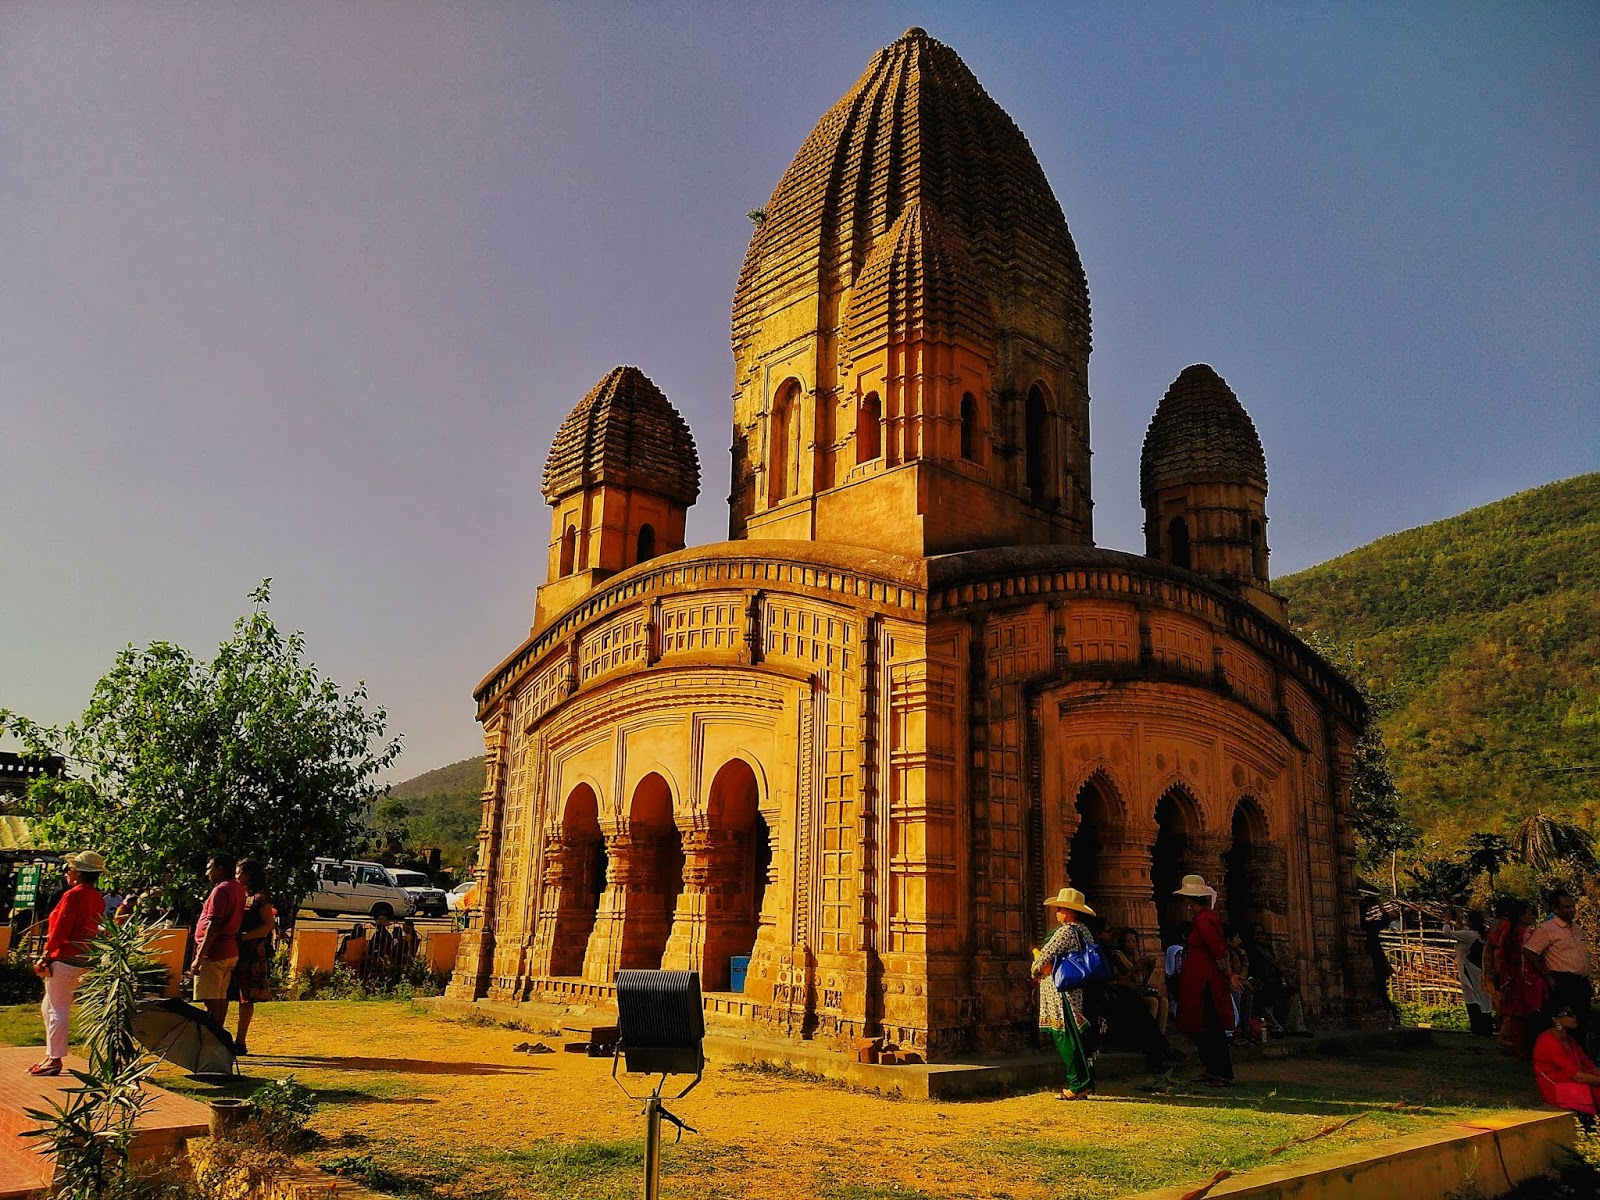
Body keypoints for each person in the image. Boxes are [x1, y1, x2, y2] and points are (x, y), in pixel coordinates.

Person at [30, 850, 107, 1076]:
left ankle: (54, 1060)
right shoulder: (96, 897)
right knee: (49, 1006)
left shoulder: (74, 895)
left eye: (70, 868)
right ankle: (50, 1054)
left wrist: (46, 954)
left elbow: (61, 927)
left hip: (64, 957)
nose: (67, 872)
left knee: (57, 1008)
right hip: (82, 957)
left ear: (79, 873)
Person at [1031, 886, 1099, 1100]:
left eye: (1059, 908)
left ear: (1069, 912)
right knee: (1077, 1038)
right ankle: (1084, 1084)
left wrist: (1034, 969)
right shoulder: (1084, 930)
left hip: (1062, 992)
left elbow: (1046, 955)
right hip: (1077, 990)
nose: (1056, 913)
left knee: (1066, 1037)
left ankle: (1077, 1084)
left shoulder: (1067, 931)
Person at [1174, 875, 1235, 1085]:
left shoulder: (1203, 919)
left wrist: (1226, 973)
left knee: (1209, 1026)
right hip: (1202, 977)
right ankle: (1214, 1070)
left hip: (1204, 981)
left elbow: (1217, 948)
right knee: (1207, 1025)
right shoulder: (1206, 917)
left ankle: (1219, 1071)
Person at [1526, 891, 1592, 1048]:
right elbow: (1530, 951)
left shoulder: (1575, 928)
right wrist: (1546, 974)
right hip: (1562, 979)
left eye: (1573, 906)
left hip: (1580, 979)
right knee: (1561, 1020)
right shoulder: (1547, 928)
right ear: (1555, 909)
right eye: (1567, 907)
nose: (1572, 910)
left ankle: (1578, 1055)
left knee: (1581, 1021)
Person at [189, 855, 245, 1029]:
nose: (207, 873)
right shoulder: (237, 888)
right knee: (219, 997)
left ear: (220, 869)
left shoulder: (221, 890)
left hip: (215, 952)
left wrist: (199, 956)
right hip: (228, 950)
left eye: (210, 868)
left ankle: (215, 1036)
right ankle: (218, 1034)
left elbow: (214, 924)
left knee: (210, 998)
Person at [1106, 927, 1173, 1072]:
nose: (1131, 943)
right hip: (1124, 996)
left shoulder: (1136, 956)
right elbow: (1125, 977)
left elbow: (1142, 982)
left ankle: (1159, 1038)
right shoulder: (1118, 956)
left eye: (1133, 941)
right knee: (1153, 1002)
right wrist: (1138, 967)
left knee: (1163, 1002)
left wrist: (1149, 969)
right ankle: (1150, 1042)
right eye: (1128, 941)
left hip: (1138, 992)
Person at [228, 859, 276, 1055]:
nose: (236, 876)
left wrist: (246, 937)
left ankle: (240, 1041)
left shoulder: (259, 898)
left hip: (252, 952)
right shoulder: (239, 896)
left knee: (246, 998)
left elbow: (268, 924)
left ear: (248, 875)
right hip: (235, 949)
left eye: (239, 873)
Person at [1533, 1005, 1600, 1128]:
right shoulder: (1548, 1042)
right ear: (1556, 1020)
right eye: (1568, 1014)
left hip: (1575, 1082)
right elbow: (1578, 1076)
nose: (1574, 1017)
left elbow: (1590, 1066)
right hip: (1558, 1088)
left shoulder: (1569, 1040)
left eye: (1573, 1013)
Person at [1497, 899, 1546, 1057]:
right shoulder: (1530, 934)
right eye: (1530, 913)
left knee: (1516, 1016)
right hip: (1529, 979)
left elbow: (1502, 957)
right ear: (1521, 915)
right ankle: (1531, 1048)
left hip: (1512, 979)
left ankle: (1519, 1047)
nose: (1532, 916)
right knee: (1533, 1013)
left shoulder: (1507, 934)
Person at [1444, 910, 1495, 1038]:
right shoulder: (1480, 933)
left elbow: (1447, 933)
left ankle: (1478, 1029)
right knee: (1484, 999)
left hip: (1468, 969)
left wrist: (1447, 921)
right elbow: (1464, 930)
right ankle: (1485, 1029)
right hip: (1479, 969)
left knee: (1472, 998)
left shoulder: (1468, 935)